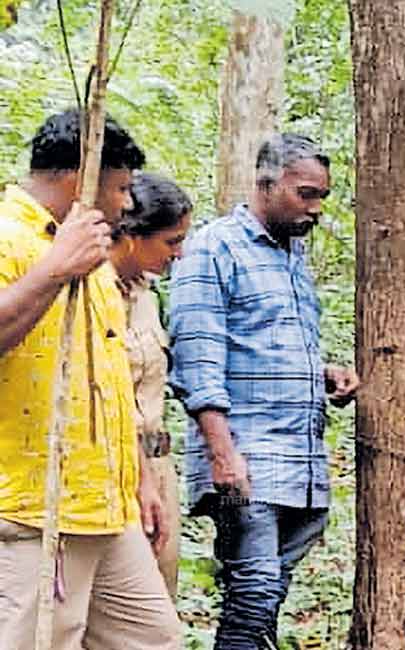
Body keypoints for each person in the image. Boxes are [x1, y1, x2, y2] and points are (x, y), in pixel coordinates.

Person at [169, 133, 360, 649]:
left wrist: (323, 371)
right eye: (306, 194)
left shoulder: (293, 255)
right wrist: (223, 454)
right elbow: (197, 357)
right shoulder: (214, 247)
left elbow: (266, 341)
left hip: (300, 462)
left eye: (322, 196)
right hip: (247, 456)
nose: (316, 209)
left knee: (266, 597)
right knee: (252, 592)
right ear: (266, 183)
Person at [0, 109, 180, 648]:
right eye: (121, 188)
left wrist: (141, 480)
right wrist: (55, 268)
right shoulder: (11, 237)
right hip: (37, 507)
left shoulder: (95, 255)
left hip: (107, 504)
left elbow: (111, 376)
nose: (127, 204)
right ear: (81, 180)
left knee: (154, 638)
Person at [112, 172, 194, 598]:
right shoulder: (92, 295)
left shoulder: (148, 294)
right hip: (115, 471)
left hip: (158, 465)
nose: (179, 254)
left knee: (161, 599)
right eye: (171, 241)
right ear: (132, 235)